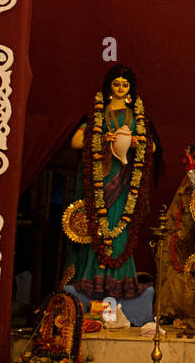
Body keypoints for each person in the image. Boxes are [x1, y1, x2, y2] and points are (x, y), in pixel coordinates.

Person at [66, 64, 158, 302]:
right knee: (98, 225)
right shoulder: (98, 115)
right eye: (116, 84)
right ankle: (92, 278)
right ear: (108, 87)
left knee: (120, 226)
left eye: (124, 85)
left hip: (126, 179)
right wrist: (100, 139)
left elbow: (153, 147)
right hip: (101, 176)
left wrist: (138, 143)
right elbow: (76, 141)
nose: (119, 88)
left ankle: (119, 280)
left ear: (130, 89)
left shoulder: (137, 115)